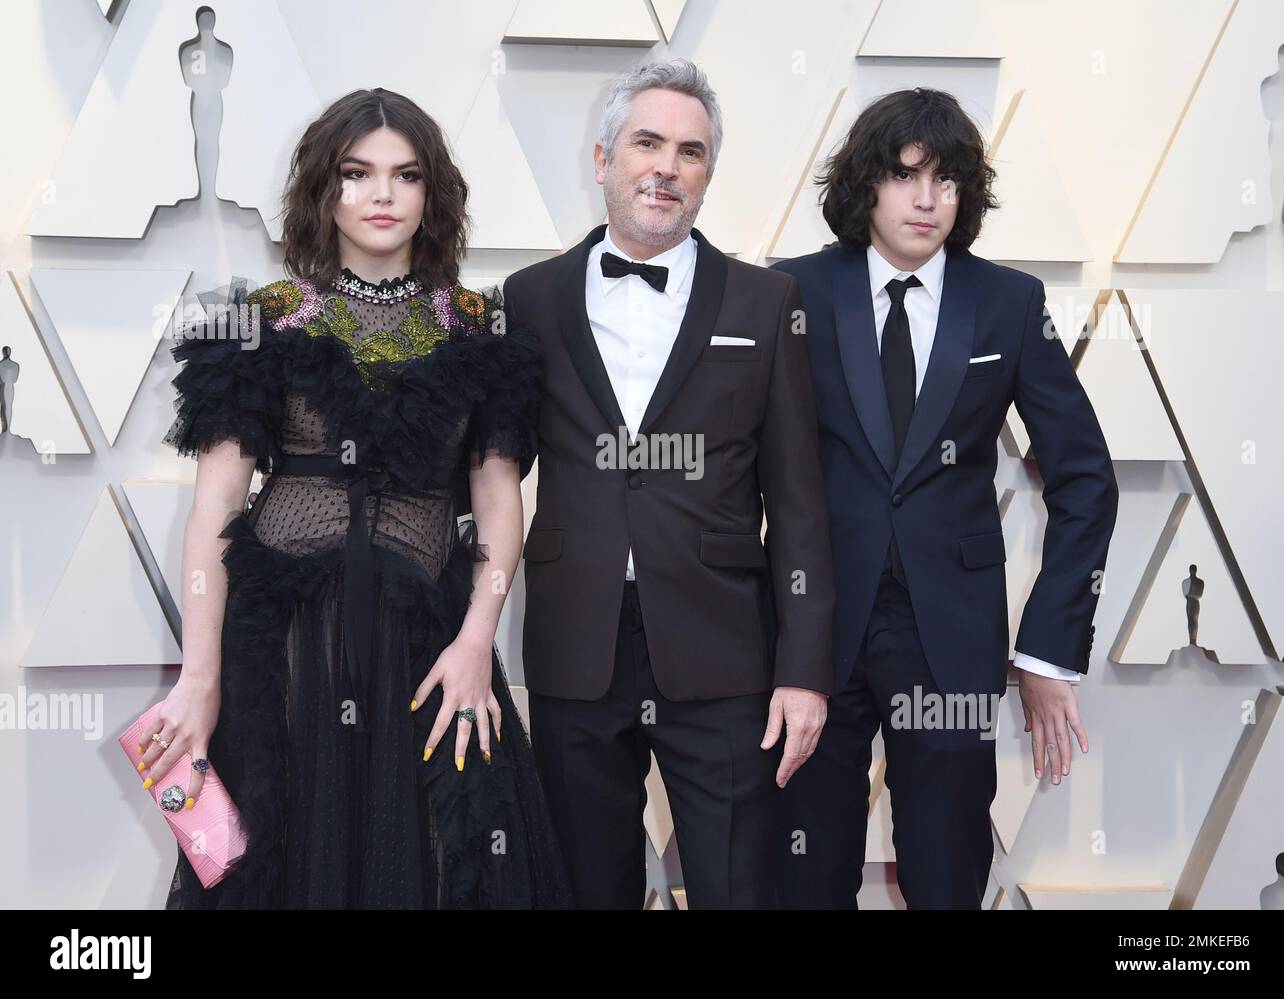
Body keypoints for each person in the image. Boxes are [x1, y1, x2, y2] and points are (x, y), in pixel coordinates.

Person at [143, 87, 571, 908]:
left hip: (433, 647)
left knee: (446, 859)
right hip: (285, 649)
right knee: (273, 853)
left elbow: (499, 501)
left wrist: (480, 637)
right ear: (323, 187)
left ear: (431, 192)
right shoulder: (265, 320)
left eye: (405, 175)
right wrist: (201, 676)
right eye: (357, 172)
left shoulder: (480, 327)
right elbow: (214, 512)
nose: (382, 194)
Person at [771, 88, 1119, 909]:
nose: (927, 200)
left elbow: (1085, 477)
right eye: (904, 176)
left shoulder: (1007, 302)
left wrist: (1044, 652)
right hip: (813, 627)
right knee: (806, 872)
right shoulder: (789, 292)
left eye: (949, 181)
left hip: (951, 632)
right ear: (866, 185)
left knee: (945, 872)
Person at [502, 59, 835, 909]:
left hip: (725, 652)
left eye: (690, 152)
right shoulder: (529, 298)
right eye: (647, 143)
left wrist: (804, 669)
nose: (666, 167)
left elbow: (798, 503)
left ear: (707, 175)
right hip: (577, 646)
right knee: (585, 888)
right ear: (605, 156)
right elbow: (493, 474)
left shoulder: (768, 302)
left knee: (737, 889)